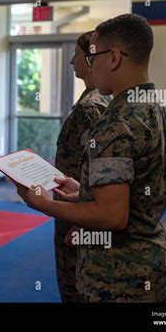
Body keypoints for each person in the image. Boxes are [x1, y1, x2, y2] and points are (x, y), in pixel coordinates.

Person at [15, 13, 166, 302]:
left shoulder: (116, 122)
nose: (91, 64)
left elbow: (111, 215)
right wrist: (83, 192)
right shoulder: (158, 110)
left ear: (113, 58)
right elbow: (135, 195)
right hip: (152, 263)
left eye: (93, 56)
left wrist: (43, 204)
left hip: (117, 277)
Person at [54, 31, 111, 302]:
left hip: (80, 210)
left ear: (90, 59)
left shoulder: (92, 107)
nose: (70, 62)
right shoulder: (94, 100)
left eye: (75, 55)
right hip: (78, 202)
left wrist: (85, 225)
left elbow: (101, 167)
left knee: (75, 286)